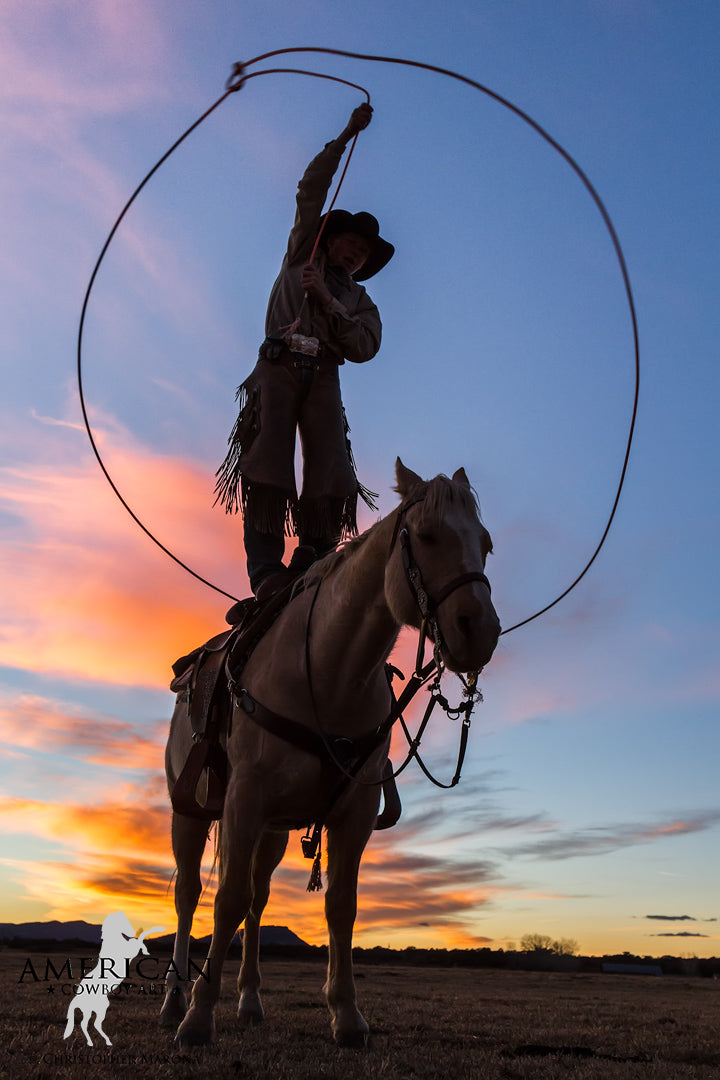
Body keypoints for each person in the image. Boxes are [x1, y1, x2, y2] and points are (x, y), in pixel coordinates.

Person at [215, 103, 394, 600]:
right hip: (278, 366)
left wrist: (330, 301)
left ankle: (313, 554)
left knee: (332, 463)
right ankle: (266, 572)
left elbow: (366, 346)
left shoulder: (359, 299)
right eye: (349, 241)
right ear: (330, 238)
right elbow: (310, 188)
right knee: (268, 457)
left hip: (325, 374)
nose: (355, 252)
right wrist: (345, 135)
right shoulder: (301, 254)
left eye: (363, 251)